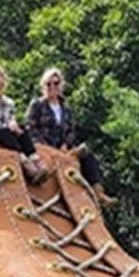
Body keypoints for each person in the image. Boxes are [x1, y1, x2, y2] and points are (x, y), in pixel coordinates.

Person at [25, 67, 111, 202]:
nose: (52, 87)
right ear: (43, 86)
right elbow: (30, 127)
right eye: (49, 84)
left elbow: (71, 129)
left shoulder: (66, 108)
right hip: (43, 146)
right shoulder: (37, 105)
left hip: (64, 147)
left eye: (56, 83)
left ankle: (98, 191)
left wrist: (65, 144)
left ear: (61, 86)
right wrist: (46, 146)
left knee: (87, 155)